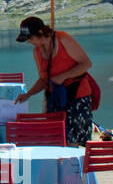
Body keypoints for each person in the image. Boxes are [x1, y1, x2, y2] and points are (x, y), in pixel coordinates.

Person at [15, 16, 95, 145]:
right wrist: (28, 94)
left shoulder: (63, 39)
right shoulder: (37, 51)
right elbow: (43, 79)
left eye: (30, 38)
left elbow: (86, 64)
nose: (29, 42)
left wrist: (63, 76)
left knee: (72, 142)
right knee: (53, 139)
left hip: (78, 96)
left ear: (40, 33)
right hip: (55, 99)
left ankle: (72, 164)